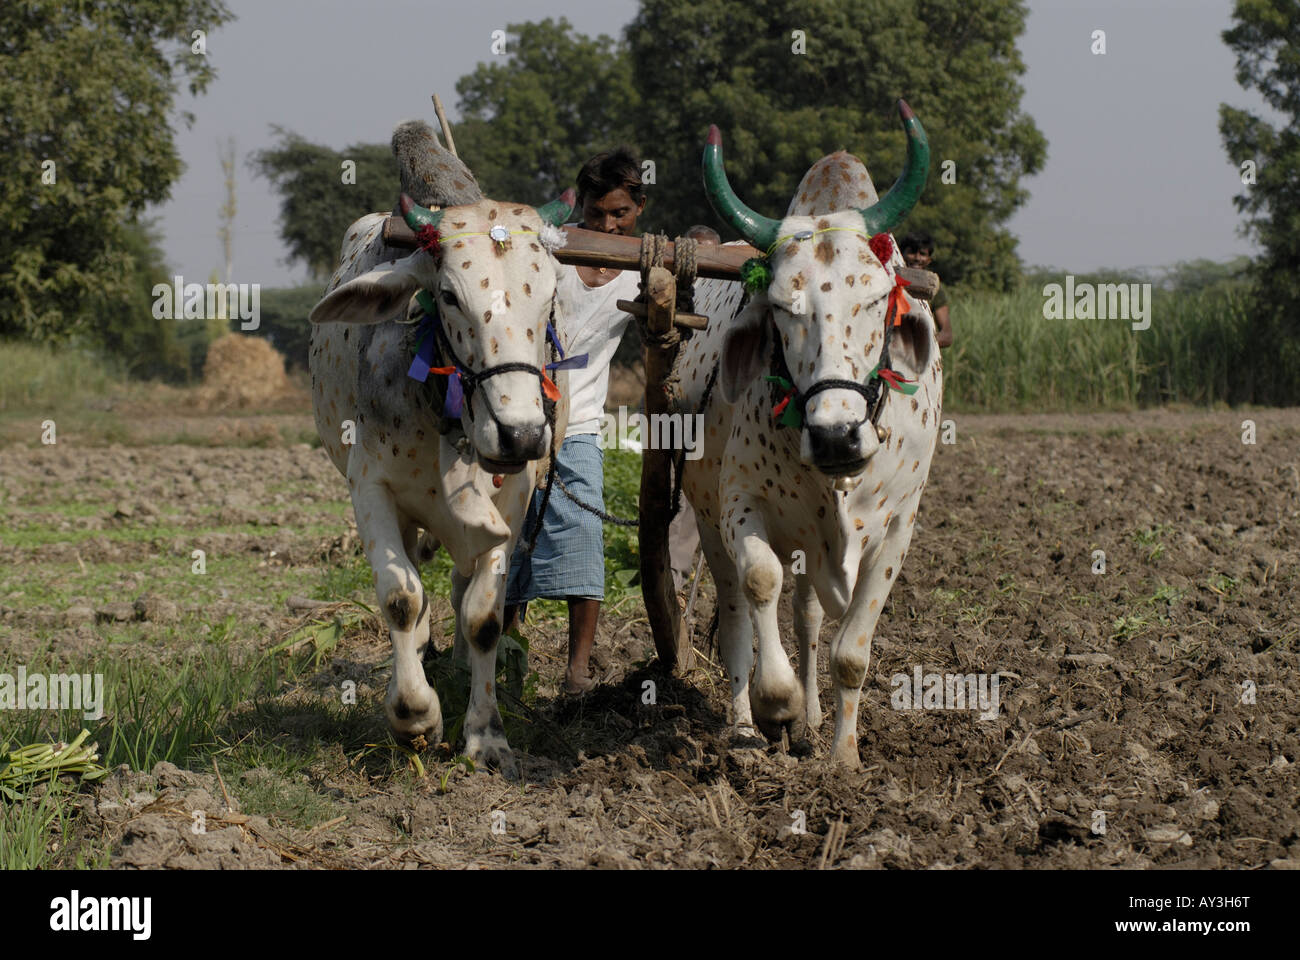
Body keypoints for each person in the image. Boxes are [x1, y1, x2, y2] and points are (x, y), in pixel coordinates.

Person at [504, 147, 645, 695]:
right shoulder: (549, 250)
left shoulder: (642, 268)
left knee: (584, 533)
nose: (607, 224)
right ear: (579, 207)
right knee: (509, 537)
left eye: (620, 214)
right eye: (595, 213)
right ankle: (507, 657)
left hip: (582, 420)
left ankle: (576, 671)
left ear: (637, 210)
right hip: (519, 414)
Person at [898, 231, 953, 349]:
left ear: (929, 260)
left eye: (922, 254)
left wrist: (915, 345)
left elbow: (947, 336)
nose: (917, 258)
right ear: (901, 254)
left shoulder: (934, 289)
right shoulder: (888, 283)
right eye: (912, 252)